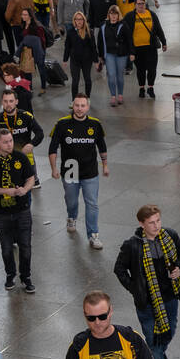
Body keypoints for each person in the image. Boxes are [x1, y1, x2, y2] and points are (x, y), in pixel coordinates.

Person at [113, 204, 180, 359]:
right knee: (153, 341)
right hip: (146, 301)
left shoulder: (170, 236)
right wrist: (134, 288)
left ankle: (160, 354)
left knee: (170, 330)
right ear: (141, 224)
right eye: (151, 223)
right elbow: (119, 269)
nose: (156, 226)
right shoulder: (132, 245)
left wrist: (178, 269)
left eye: (158, 220)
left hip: (169, 296)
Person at [0, 127, 36, 292]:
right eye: (5, 142)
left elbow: (31, 178)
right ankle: (10, 275)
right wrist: (6, 191)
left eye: (10, 141)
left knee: (25, 246)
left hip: (22, 210)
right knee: (6, 247)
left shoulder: (20, 157)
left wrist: (25, 189)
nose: (10, 145)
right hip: (1, 214)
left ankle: (26, 277)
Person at [49, 94, 109, 251]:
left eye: (83, 105)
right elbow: (52, 148)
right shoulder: (62, 124)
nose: (80, 108)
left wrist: (105, 165)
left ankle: (93, 235)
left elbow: (102, 147)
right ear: (72, 106)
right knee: (72, 201)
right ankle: (71, 217)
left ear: (87, 107)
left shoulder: (95, 124)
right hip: (70, 168)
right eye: (77, 105)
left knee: (92, 204)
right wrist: (54, 168)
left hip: (90, 171)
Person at [123, 0, 167, 99]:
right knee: (140, 70)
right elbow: (125, 34)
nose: (141, 6)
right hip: (137, 48)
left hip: (150, 47)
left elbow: (159, 29)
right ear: (135, 5)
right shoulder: (130, 16)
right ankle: (141, 88)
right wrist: (130, 51)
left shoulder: (151, 14)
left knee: (152, 69)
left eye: (143, 3)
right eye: (138, 4)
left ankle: (150, 88)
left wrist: (164, 42)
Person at [96, 2, 131, 106]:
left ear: (118, 14)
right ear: (108, 15)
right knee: (111, 75)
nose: (113, 16)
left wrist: (131, 53)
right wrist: (101, 56)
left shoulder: (123, 25)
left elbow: (129, 40)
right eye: (111, 13)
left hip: (122, 54)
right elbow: (100, 42)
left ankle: (120, 95)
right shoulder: (103, 26)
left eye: (115, 13)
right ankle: (113, 96)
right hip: (109, 54)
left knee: (120, 75)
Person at [62, 10, 100, 99]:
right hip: (75, 60)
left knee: (87, 79)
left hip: (87, 60)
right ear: (74, 21)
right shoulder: (71, 32)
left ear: (84, 20)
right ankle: (74, 100)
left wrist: (96, 61)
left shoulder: (89, 32)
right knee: (75, 81)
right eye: (77, 19)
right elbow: (67, 46)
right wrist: (65, 59)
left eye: (81, 19)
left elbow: (93, 47)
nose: (79, 21)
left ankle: (87, 98)